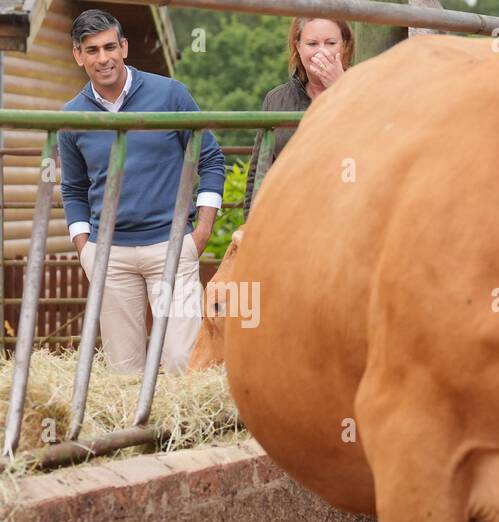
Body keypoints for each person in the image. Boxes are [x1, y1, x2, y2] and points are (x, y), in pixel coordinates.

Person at [58, 9, 225, 375]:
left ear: (124, 47)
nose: (103, 58)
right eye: (92, 50)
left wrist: (201, 234)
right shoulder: (71, 116)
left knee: (183, 360)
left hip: (171, 246)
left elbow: (210, 159)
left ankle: (179, 433)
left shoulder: (170, 94)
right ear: (78, 55)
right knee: (124, 371)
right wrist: (85, 248)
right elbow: (73, 189)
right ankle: (134, 434)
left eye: (109, 47)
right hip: (109, 255)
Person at [244, 18, 353, 218]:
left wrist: (342, 87)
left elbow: (374, 151)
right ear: (298, 46)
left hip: (347, 213)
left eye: (331, 43)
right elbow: (259, 170)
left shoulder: (367, 88)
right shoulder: (276, 99)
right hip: (289, 217)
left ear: (344, 45)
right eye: (312, 44)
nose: (322, 52)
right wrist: (250, 226)